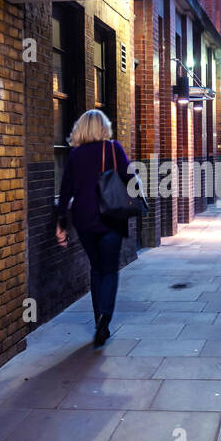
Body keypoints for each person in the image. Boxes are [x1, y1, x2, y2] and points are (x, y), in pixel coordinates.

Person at [53, 109, 136, 348]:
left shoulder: (75, 155)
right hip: (110, 216)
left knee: (96, 268)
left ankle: (98, 316)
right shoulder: (114, 149)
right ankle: (104, 320)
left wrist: (61, 223)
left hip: (84, 219)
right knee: (110, 269)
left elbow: (66, 190)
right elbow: (130, 179)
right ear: (104, 128)